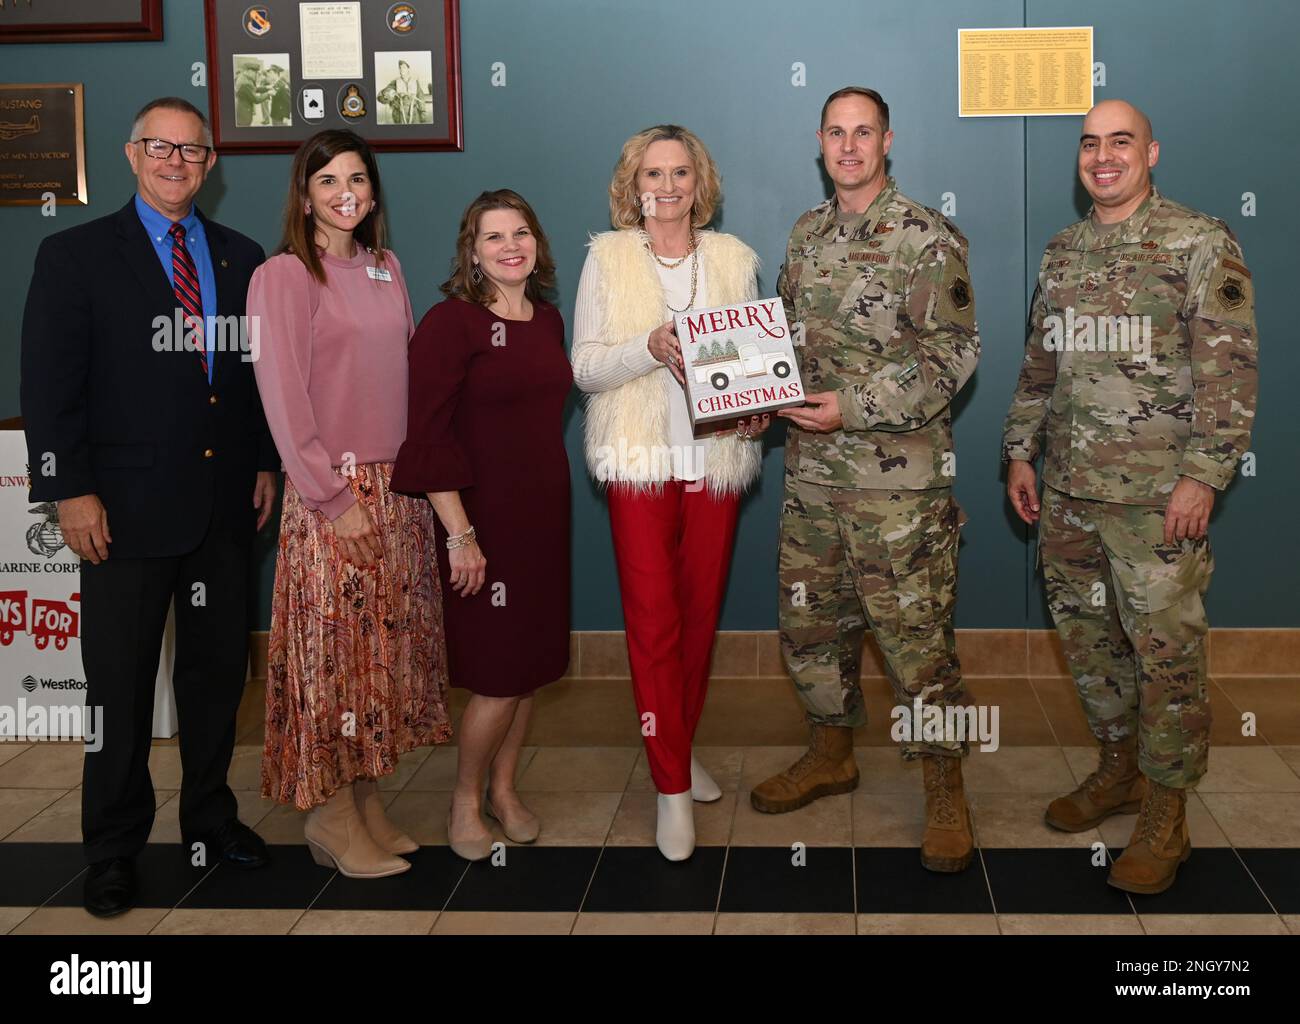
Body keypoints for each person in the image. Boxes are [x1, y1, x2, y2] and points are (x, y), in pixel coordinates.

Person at [19, 96, 279, 917]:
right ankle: (113, 849)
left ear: (212, 165)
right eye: (160, 148)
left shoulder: (242, 258)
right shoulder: (74, 255)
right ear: (132, 155)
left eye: (193, 152)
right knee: (120, 691)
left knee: (214, 682)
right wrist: (67, 489)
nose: (176, 162)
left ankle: (209, 820)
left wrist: (266, 461)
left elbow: (253, 380)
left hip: (223, 511)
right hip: (119, 516)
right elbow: (49, 388)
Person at [1003, 99, 1259, 894]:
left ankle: (1168, 814)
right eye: (1090, 144)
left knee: (1167, 658)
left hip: (1157, 499)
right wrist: (1020, 450)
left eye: (1121, 143)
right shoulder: (1064, 250)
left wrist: (1205, 473)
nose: (1102, 156)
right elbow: (1040, 366)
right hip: (1071, 493)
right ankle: (1120, 770)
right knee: (1090, 647)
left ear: (1152, 153)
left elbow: (1230, 369)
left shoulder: (1198, 241)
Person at [752, 87, 981, 874]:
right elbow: (783, 339)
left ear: (888, 141)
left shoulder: (926, 236)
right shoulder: (806, 233)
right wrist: (755, 397)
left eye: (864, 133)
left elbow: (952, 356)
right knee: (814, 634)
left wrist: (852, 407)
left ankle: (946, 786)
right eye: (836, 133)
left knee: (919, 649)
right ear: (820, 142)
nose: (849, 147)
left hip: (899, 492)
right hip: (811, 481)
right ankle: (831, 752)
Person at [248, 129, 452, 878]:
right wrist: (335, 499)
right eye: (328, 180)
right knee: (332, 661)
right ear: (305, 196)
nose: (346, 193)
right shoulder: (283, 277)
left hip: (398, 493)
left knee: (381, 660)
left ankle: (365, 797)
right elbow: (283, 400)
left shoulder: (386, 267)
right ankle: (330, 816)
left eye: (358, 179)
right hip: (332, 495)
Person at [572, 125, 768, 862]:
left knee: (696, 618)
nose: (668, 184)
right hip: (639, 462)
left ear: (700, 182)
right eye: (653, 172)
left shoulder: (732, 257)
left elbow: (750, 367)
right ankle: (671, 789)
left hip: (714, 462)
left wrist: (756, 406)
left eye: (681, 171)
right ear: (633, 183)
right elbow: (585, 369)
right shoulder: (609, 257)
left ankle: (678, 749)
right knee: (652, 623)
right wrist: (645, 348)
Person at [392, 190, 571, 861]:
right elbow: (429, 436)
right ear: (472, 252)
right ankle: (464, 801)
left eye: (521, 233)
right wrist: (460, 536)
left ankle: (504, 788)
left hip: (542, 521)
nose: (510, 247)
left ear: (537, 244)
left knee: (528, 670)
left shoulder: (547, 321)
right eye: (493, 237)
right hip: (479, 523)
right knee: (497, 676)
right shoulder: (452, 323)